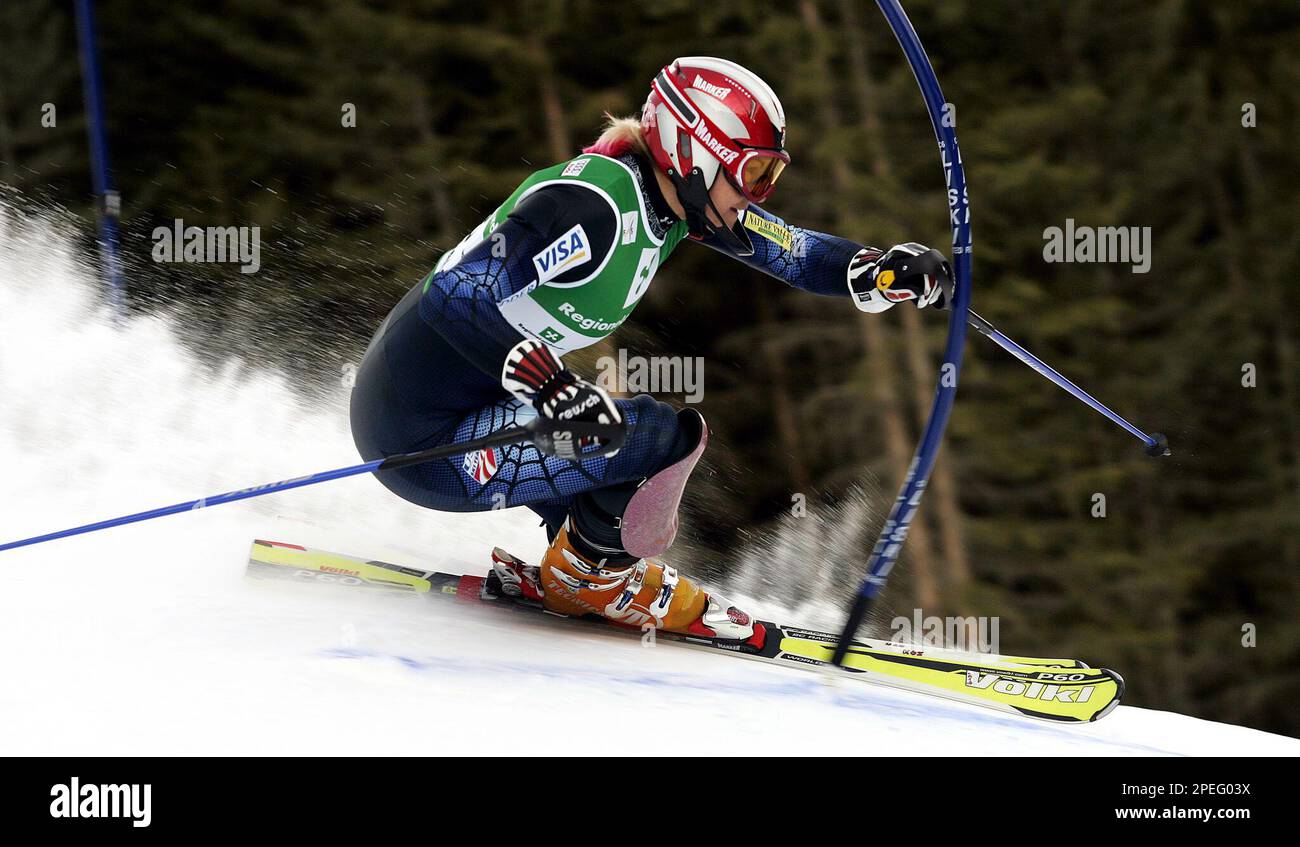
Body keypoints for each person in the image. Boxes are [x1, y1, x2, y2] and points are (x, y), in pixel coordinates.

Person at [350, 56, 952, 646]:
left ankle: (591, 568)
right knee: (649, 436)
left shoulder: (671, 206)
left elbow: (791, 249)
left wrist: (879, 271)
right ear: (691, 154)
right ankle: (589, 580)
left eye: (770, 176)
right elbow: (457, 293)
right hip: (425, 442)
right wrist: (552, 388)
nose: (757, 195)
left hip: (472, 418)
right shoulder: (594, 208)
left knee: (614, 446)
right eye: (750, 174)